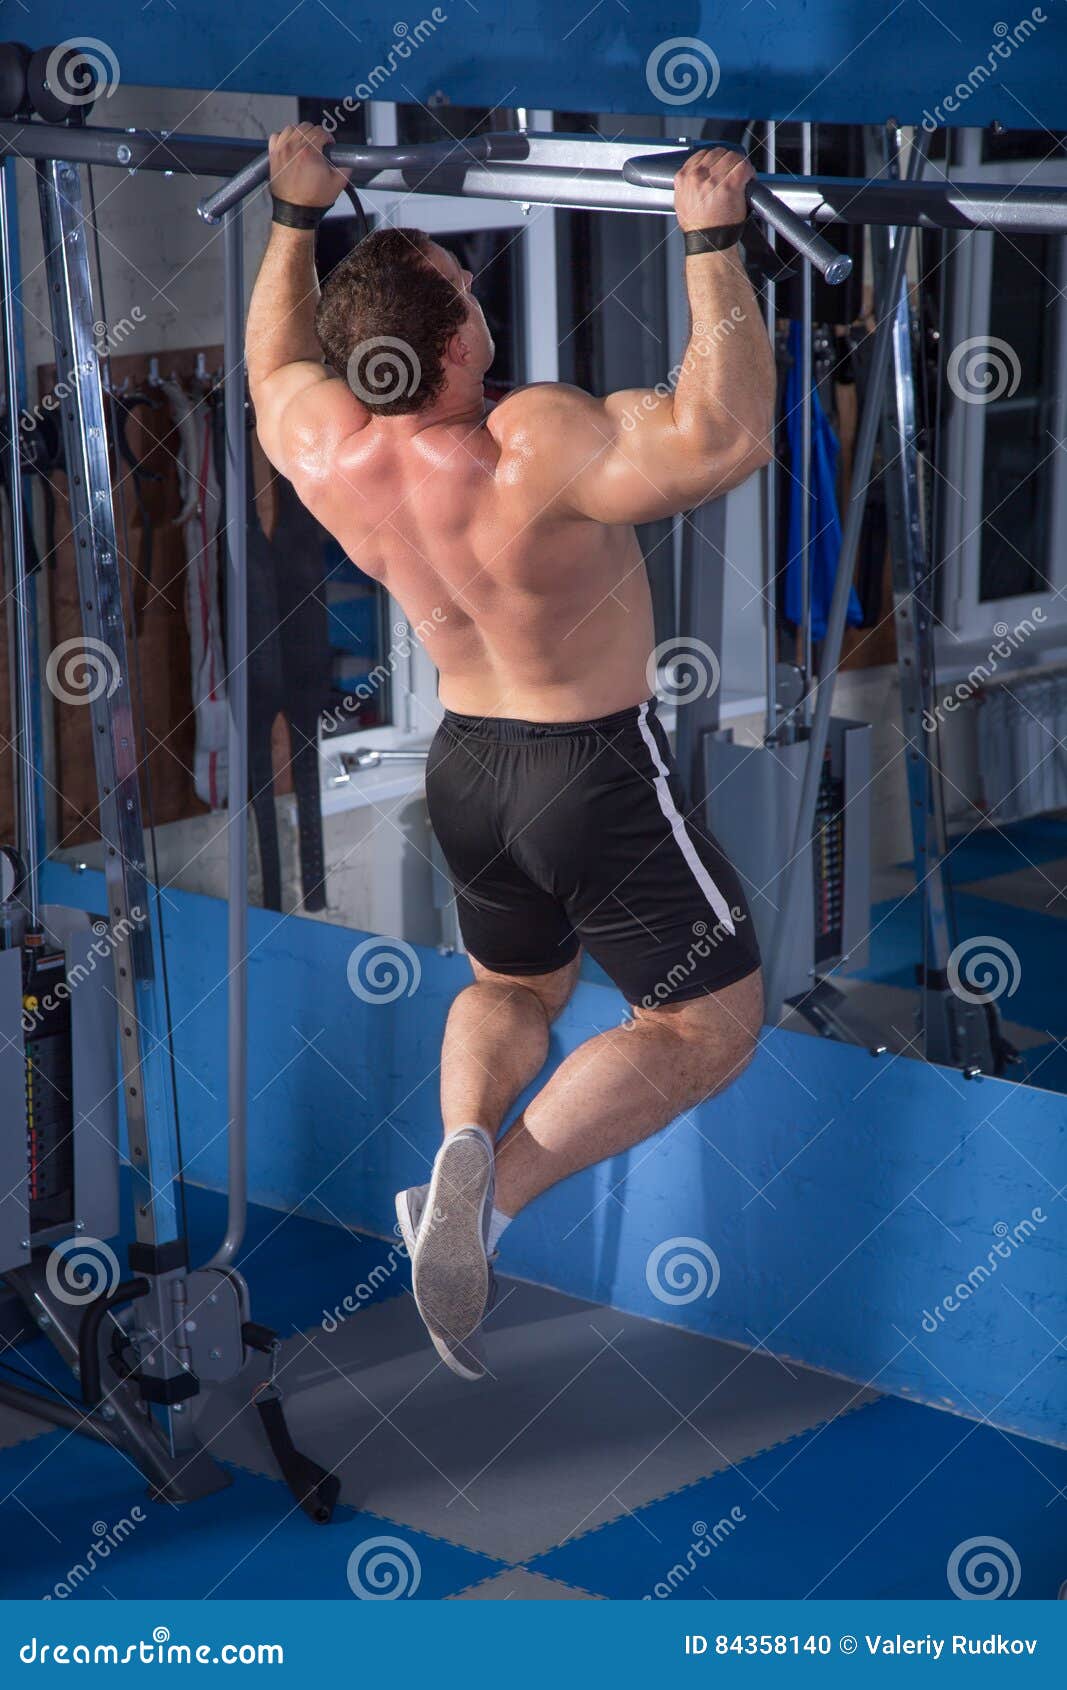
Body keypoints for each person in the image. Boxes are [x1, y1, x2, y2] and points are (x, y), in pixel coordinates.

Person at [247, 124, 775, 1380]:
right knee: (705, 1025)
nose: (480, 293)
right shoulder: (529, 438)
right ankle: (490, 1198)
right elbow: (726, 438)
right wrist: (710, 240)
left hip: (468, 770)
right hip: (593, 773)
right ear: (456, 349)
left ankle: (462, 1141)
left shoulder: (327, 446)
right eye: (465, 289)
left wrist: (290, 216)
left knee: (519, 987)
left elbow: (272, 360)